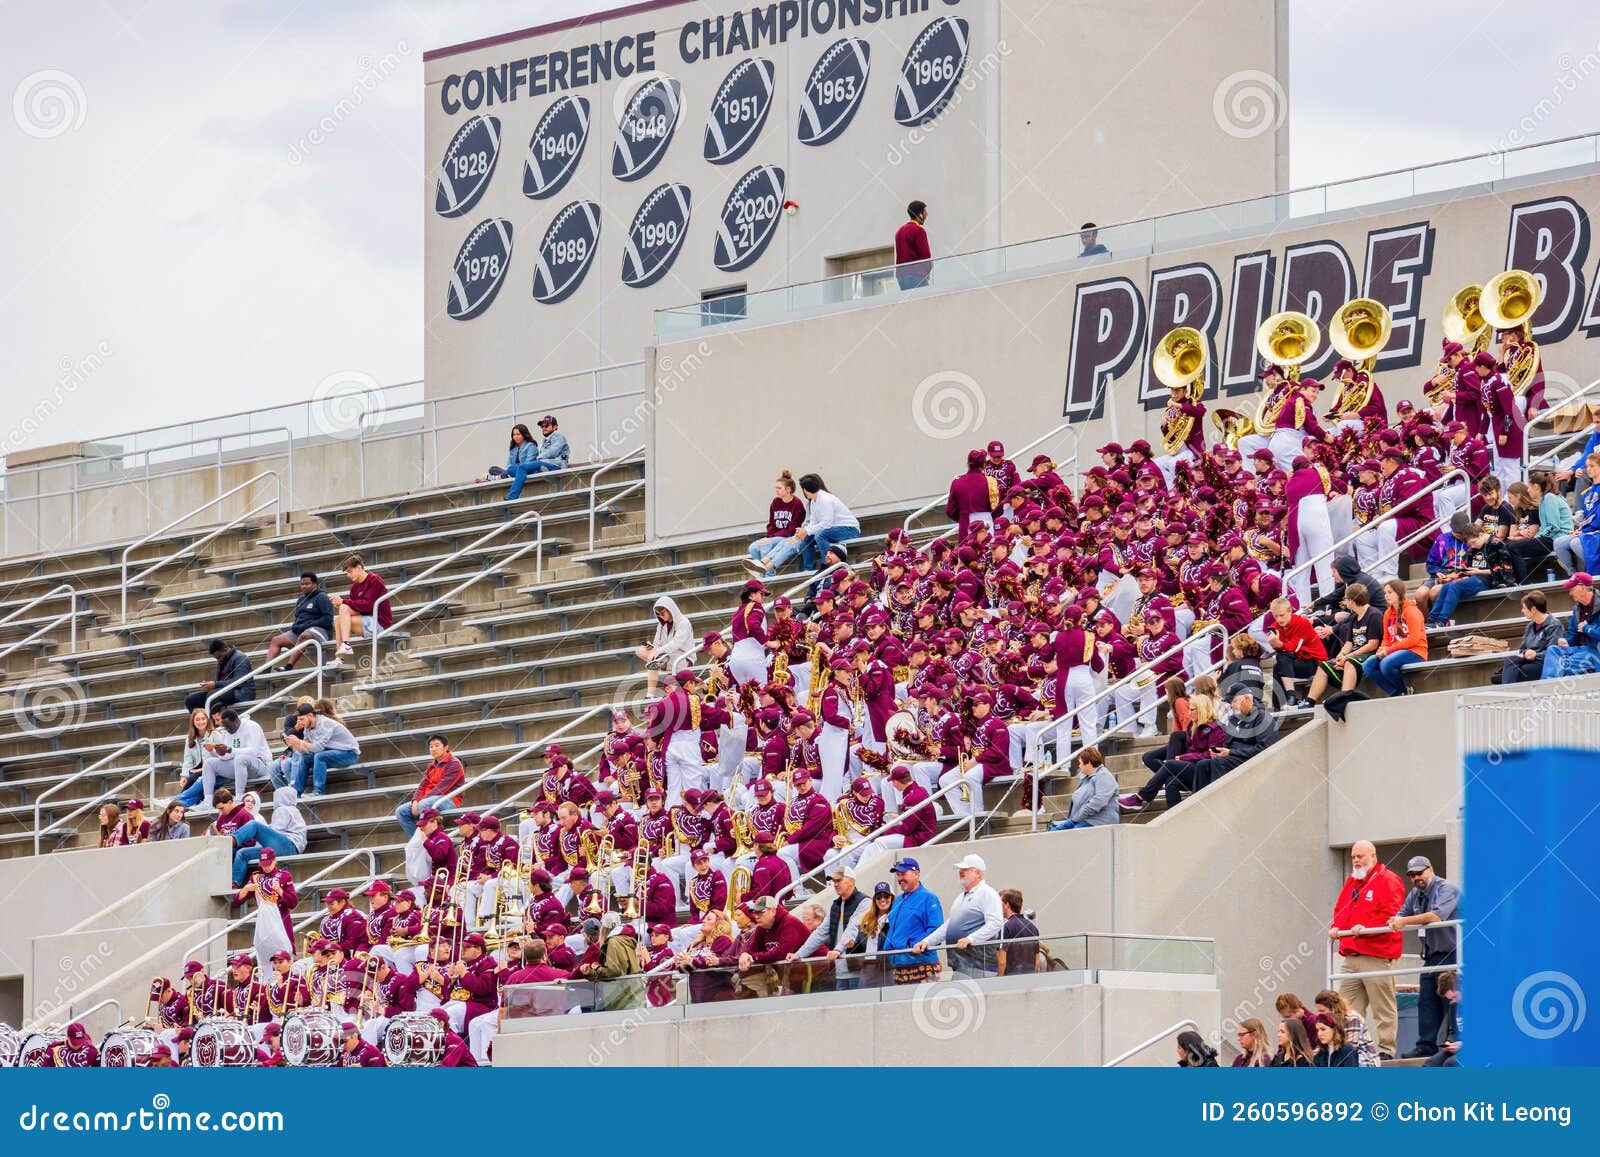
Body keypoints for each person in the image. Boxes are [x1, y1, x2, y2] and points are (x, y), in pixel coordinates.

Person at [1329, 839, 1404, 1059]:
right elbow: (1341, 908)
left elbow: (1391, 915)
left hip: (1378, 955)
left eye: (1360, 856)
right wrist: (1336, 927)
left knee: (1383, 1008)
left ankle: (1386, 1050)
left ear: (1373, 856)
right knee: (1345, 1008)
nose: (1356, 860)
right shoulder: (1353, 881)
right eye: (1353, 857)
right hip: (1352, 956)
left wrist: (1366, 928)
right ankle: (1351, 1050)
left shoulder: (1388, 880)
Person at [1390, 855, 1460, 1057]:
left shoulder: (1446, 888)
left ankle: (1455, 1041)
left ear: (1430, 869)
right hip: (1432, 956)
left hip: (1454, 954)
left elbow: (1436, 916)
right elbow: (1400, 916)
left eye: (1419, 872)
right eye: (1411, 874)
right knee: (1426, 999)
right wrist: (1393, 921)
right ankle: (1426, 1046)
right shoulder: (1415, 894)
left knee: (1451, 999)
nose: (1416, 877)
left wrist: (1402, 922)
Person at [913, 854, 1002, 977]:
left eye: (965, 869)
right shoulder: (961, 897)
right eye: (960, 869)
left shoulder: (987, 893)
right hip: (960, 964)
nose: (960, 871)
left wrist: (971, 939)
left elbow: (995, 923)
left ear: (978, 873)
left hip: (979, 964)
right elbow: (949, 926)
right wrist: (927, 942)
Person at [1424, 521, 1514, 627]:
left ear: (1480, 534)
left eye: (1473, 542)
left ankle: (1441, 622)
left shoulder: (1497, 544)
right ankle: (1432, 620)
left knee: (1454, 587)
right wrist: (1461, 573)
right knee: (1446, 587)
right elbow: (1471, 568)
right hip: (1475, 578)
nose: (1472, 546)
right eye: (1470, 544)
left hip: (1490, 580)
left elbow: (1506, 569)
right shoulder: (1474, 548)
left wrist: (1478, 571)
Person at [1306, 583, 1382, 705]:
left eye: (1346, 599)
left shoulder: (1374, 614)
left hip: (1370, 654)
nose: (1345, 603)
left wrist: (1347, 657)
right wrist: (1340, 656)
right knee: (1324, 666)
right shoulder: (1353, 617)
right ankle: (1309, 701)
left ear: (1351, 601)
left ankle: (1344, 698)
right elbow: (1348, 643)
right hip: (1354, 654)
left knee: (1349, 662)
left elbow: (1372, 644)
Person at [879, 857, 944, 984]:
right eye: (898, 875)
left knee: (924, 1003)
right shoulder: (897, 900)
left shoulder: (929, 898)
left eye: (903, 874)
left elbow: (937, 930)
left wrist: (912, 945)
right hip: (899, 967)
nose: (900, 878)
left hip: (922, 964)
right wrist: (888, 947)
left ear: (916, 874)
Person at [227, 785, 307, 886]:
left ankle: (231, 841)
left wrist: (263, 832)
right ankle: (235, 883)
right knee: (242, 853)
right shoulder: (295, 811)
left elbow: (276, 830)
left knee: (254, 825)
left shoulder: (282, 809)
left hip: (288, 846)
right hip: (287, 848)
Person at [1361, 579, 1427, 697]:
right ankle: (1396, 693)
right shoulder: (1387, 613)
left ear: (1399, 593)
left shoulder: (1411, 611)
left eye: (1390, 592)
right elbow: (1386, 638)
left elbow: (1414, 639)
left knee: (1386, 664)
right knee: (1367, 665)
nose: (1386, 596)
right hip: (1394, 651)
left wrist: (1389, 650)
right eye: (1385, 593)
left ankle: (1404, 689)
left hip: (1415, 651)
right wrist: (1382, 649)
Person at [284, 700, 361, 799]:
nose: (300, 722)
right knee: (305, 758)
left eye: (302, 719)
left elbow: (318, 748)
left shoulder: (325, 723)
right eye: (298, 720)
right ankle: (296, 793)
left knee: (319, 756)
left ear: (310, 716)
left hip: (349, 754)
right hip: (332, 752)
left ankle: (318, 791)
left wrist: (299, 742)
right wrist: (295, 745)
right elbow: (306, 751)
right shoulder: (307, 727)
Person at [327, 555, 392, 666]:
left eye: (349, 571)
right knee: (338, 619)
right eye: (346, 573)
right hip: (366, 620)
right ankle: (339, 659)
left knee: (344, 607)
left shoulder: (374, 579)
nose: (348, 575)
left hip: (380, 623)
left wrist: (343, 603)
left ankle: (346, 644)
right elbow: (356, 608)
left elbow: (368, 606)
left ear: (359, 568)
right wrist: (342, 607)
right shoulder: (354, 588)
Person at [396, 735, 465, 838]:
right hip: (429, 799)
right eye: (431, 746)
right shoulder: (431, 765)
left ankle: (430, 843)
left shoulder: (454, 764)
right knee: (401, 811)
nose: (433, 749)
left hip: (449, 800)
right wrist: (415, 800)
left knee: (424, 804)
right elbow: (422, 786)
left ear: (446, 748)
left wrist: (420, 802)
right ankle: (420, 842)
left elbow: (441, 788)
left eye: (437, 746)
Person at [198, 707, 271, 805]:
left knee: (240, 758)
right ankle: (208, 799)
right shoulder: (227, 731)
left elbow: (253, 751)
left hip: (261, 764)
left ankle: (239, 796)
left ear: (236, 721)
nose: (227, 729)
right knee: (209, 762)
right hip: (239, 766)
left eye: (228, 726)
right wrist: (218, 752)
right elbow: (228, 756)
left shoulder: (252, 726)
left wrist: (229, 749)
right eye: (225, 727)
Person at [744, 470, 809, 578]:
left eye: (779, 488)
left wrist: (771, 539)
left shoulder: (797, 504)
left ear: (788, 489)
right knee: (753, 548)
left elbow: (792, 529)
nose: (776, 490)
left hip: (789, 537)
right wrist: (770, 537)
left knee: (766, 545)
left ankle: (768, 576)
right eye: (776, 488)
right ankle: (762, 573)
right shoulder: (776, 502)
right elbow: (771, 524)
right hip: (776, 537)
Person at [793, 474, 861, 574]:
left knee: (820, 535)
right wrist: (804, 531)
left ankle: (828, 566)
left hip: (849, 529)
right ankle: (809, 569)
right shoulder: (813, 502)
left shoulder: (825, 499)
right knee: (806, 539)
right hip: (832, 530)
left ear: (805, 490)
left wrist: (807, 530)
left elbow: (826, 524)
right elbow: (813, 522)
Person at [263, 573, 334, 667]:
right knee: (276, 640)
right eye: (302, 584)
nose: (304, 586)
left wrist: (309, 625)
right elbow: (298, 617)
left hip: (321, 630)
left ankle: (288, 666)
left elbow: (328, 619)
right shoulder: (301, 600)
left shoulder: (322, 597)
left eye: (307, 584)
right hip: (301, 631)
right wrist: (296, 626)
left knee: (304, 635)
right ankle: (266, 668)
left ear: (314, 584)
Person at [1493, 591, 1564, 684]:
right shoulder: (1530, 626)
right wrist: (1525, 653)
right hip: (1528, 660)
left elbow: (1553, 652)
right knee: (1509, 661)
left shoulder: (1554, 625)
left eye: (1524, 608)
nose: (1522, 611)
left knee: (1513, 674)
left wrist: (1535, 655)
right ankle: (1507, 688)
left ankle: (1507, 690)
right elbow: (1522, 648)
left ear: (1533, 609)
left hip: (1543, 663)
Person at [637, 595, 696, 698]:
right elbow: (657, 644)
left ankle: (650, 693)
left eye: (662, 613)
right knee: (639, 650)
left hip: (683, 657)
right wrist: (651, 647)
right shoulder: (661, 626)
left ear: (670, 610)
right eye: (658, 614)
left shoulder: (684, 623)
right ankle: (650, 693)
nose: (660, 616)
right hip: (667, 655)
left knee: (653, 660)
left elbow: (676, 643)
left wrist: (657, 651)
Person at [1542, 572, 1600, 678]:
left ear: (1582, 587)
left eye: (1572, 589)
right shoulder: (1577, 609)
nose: (1570, 593)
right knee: (1553, 650)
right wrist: (1566, 641)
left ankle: (1546, 688)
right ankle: (1547, 685)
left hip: (1594, 651)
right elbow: (1572, 633)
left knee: (1560, 664)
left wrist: (1587, 628)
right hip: (1579, 649)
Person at [1049, 746, 1119, 829]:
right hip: (1082, 819)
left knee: (1072, 833)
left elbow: (1099, 801)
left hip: (1099, 821)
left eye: (1080, 763)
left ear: (1088, 763)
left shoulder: (1104, 775)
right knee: (1055, 830)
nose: (1079, 766)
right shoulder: (1087, 778)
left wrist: (1077, 817)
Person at [1554, 452, 1600, 574]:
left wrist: (1582, 531)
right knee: (1559, 543)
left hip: (1596, 531)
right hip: (1587, 530)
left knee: (1576, 543)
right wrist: (1578, 528)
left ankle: (1595, 573)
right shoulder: (1586, 492)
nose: (1588, 469)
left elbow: (1597, 519)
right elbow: (1583, 515)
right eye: (1587, 466)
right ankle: (1574, 576)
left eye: (1592, 466)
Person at [506, 415, 569, 499]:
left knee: (522, 467)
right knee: (510, 470)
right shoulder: (544, 440)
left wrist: (538, 458)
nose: (544, 428)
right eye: (542, 426)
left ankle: (511, 497)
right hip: (544, 464)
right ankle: (536, 471)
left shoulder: (558, 436)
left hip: (555, 465)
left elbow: (553, 452)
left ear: (555, 427)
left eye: (546, 426)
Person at [1314, 987, 1377, 1067]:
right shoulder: (1324, 1020)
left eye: (1322, 1011)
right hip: (1336, 1049)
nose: (1320, 1014)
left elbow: (1351, 1047)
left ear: (1333, 1008)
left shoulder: (1352, 1018)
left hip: (1361, 1054)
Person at [184, 638, 252, 711]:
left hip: (240, 693)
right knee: (191, 700)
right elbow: (219, 682)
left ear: (225, 649)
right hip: (224, 692)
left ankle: (214, 722)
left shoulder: (240, 657)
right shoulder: (222, 660)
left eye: (219, 657)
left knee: (212, 696)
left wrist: (215, 684)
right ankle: (201, 721)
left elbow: (239, 682)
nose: (218, 660)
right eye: (217, 658)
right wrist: (209, 686)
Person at [945, 449, 999, 540]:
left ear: (968, 463)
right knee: (987, 551)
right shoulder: (990, 481)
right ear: (984, 464)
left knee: (966, 552)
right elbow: (997, 508)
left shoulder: (957, 482)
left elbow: (950, 510)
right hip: (986, 525)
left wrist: (963, 518)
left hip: (965, 526)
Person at [995, 889, 1041, 975]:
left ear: (1007, 905)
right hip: (1028, 979)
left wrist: (998, 981)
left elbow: (1002, 963)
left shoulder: (1005, 927)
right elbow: (1037, 962)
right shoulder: (1033, 928)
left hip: (1010, 981)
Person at [1422, 971, 1461, 1067]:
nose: (1453, 1001)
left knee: (1451, 1063)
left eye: (1454, 997)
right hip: (1458, 1047)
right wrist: (1450, 1042)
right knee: (1430, 1064)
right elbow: (1453, 1031)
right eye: (1451, 999)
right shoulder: (1454, 1006)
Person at [894, 200, 931, 290]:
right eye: (925, 212)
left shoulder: (899, 231)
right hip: (916, 275)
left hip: (901, 277)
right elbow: (926, 255)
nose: (926, 215)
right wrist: (927, 271)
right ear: (920, 214)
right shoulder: (918, 230)